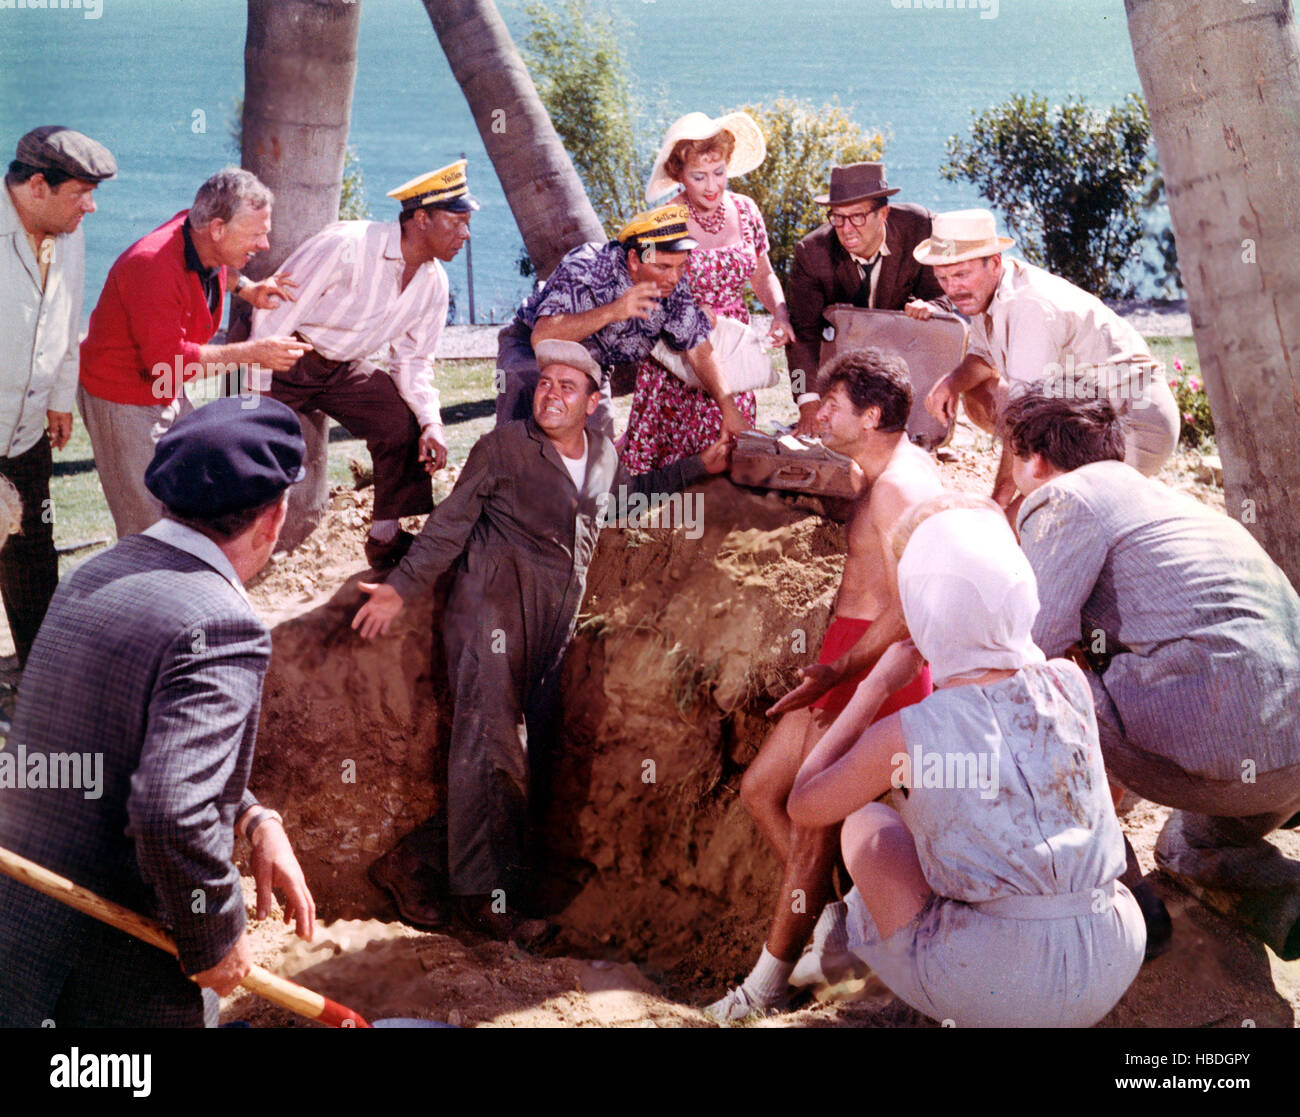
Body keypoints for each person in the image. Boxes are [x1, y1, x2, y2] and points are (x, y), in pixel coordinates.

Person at [355, 339, 732, 944]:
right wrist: (400, 587)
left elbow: (626, 504)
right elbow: (449, 525)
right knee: (491, 748)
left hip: (556, 626)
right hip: (492, 614)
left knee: (531, 761)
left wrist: (698, 468)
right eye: (545, 383)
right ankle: (485, 902)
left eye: (567, 386)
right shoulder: (503, 448)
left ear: (593, 400)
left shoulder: (605, 454)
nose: (550, 394)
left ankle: (415, 864)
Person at [0, 396, 316, 1027]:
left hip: (23, 938)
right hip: (118, 969)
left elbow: (121, 732)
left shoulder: (94, 575)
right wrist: (216, 934)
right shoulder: (224, 623)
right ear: (274, 518)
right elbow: (171, 811)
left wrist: (255, 817)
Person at [783, 501, 1145, 1028]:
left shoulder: (909, 732)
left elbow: (804, 805)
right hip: (1113, 949)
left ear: (924, 609)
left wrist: (872, 688)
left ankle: (890, 975)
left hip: (1000, 984)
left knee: (868, 824)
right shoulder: (1068, 683)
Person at [1003, 387, 1300, 959]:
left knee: (1039, 684)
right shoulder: (1168, 498)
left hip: (1232, 752)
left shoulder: (1061, 497)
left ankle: (1130, 899)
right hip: (1282, 767)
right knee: (1186, 844)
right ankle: (1283, 901)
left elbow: (1030, 648)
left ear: (1034, 458)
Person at [705, 348, 941, 1023]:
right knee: (761, 791)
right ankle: (836, 923)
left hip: (874, 666)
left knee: (812, 830)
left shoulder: (899, 486)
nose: (821, 411)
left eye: (833, 404)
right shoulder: (882, 464)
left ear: (869, 415)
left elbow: (906, 609)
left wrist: (841, 669)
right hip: (844, 655)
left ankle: (764, 985)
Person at [252, 159, 476, 569]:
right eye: (457, 221)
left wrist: (431, 422)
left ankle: (384, 541)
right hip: (283, 353)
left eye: (468, 222)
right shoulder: (347, 244)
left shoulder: (433, 283)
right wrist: (256, 390)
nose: (466, 233)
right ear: (421, 218)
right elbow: (273, 313)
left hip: (341, 366)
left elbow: (413, 359)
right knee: (249, 447)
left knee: (401, 422)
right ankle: (237, 553)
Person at [79, 167, 302, 538]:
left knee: (190, 492)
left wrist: (248, 288)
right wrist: (254, 354)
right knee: (148, 518)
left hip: (165, 385)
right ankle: (150, 591)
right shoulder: (151, 264)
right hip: (124, 398)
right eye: (256, 234)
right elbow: (167, 363)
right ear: (217, 228)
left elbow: (215, 267)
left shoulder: (196, 236)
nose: (263, 245)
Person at [915, 209, 1180, 509]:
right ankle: (1079, 489)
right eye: (943, 278)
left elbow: (1026, 415)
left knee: (1031, 516)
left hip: (1133, 419)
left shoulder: (1031, 307)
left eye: (961, 275)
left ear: (994, 263)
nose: (952, 289)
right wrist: (951, 382)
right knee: (979, 392)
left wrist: (1001, 498)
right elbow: (983, 356)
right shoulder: (987, 289)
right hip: (1083, 416)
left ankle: (1111, 490)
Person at [621, 112, 793, 473]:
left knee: (730, 454)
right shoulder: (664, 222)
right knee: (673, 475)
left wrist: (779, 312)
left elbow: (762, 274)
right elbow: (643, 291)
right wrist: (689, 310)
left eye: (719, 173)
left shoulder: (746, 210)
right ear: (679, 176)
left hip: (732, 352)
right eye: (699, 176)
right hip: (677, 357)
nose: (712, 186)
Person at [1, 126, 115, 665]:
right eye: (81, 194)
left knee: (33, 557)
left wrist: (59, 398)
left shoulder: (67, 231)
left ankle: (42, 677)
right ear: (37, 187)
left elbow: (66, 320)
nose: (90, 208)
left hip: (27, 433)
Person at [495, 203, 749, 443]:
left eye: (680, 266)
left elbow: (699, 350)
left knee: (597, 450)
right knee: (519, 418)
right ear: (634, 260)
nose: (673, 277)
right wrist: (613, 311)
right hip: (528, 347)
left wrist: (729, 410)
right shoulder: (587, 266)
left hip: (590, 363)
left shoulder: (673, 287)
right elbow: (542, 336)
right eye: (662, 266)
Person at [786, 163, 946, 435]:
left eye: (857, 217)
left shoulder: (921, 228)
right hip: (844, 358)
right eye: (837, 217)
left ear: (883, 213)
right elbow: (801, 335)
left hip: (906, 354)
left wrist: (930, 308)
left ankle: (925, 429)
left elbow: (943, 294)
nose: (846, 229)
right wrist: (807, 402)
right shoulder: (812, 253)